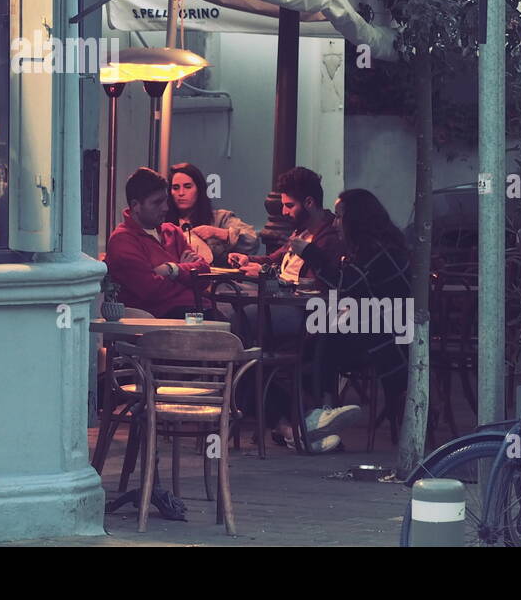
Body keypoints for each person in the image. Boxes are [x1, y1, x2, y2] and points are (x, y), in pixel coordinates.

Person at [227, 167, 359, 452]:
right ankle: (296, 425)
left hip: (307, 317)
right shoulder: (301, 231)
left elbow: (315, 283)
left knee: (237, 340)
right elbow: (275, 260)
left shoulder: (326, 238)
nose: (284, 212)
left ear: (309, 203)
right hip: (282, 310)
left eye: (289, 205)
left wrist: (265, 275)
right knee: (243, 350)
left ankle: (287, 421)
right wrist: (250, 261)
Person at [292, 188, 412, 420]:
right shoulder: (373, 246)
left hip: (390, 335)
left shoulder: (377, 251)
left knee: (321, 337)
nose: (335, 223)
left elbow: (344, 284)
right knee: (319, 335)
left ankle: (320, 409)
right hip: (377, 326)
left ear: (355, 220)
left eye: (339, 216)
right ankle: (319, 406)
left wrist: (310, 253)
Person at [105, 167, 211, 319]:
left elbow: (204, 276)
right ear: (135, 205)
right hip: (162, 319)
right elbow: (151, 290)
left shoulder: (173, 231)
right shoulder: (123, 240)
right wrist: (188, 278)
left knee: (238, 328)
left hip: (196, 312)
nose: (166, 208)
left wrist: (172, 270)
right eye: (157, 203)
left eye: (166, 201)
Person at [166, 162, 258, 267]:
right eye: (176, 188)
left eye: (187, 186)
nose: (181, 193)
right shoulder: (162, 221)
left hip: (216, 280)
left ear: (199, 189)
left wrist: (218, 233)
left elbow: (252, 241)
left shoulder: (220, 218)